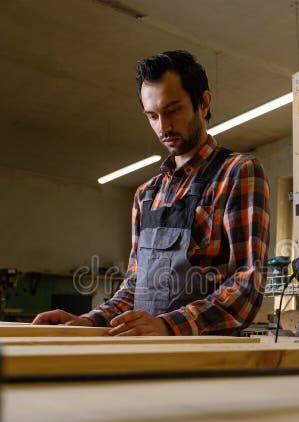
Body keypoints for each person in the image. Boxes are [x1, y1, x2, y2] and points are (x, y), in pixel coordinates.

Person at [33, 50, 270, 336]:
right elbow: (134, 287)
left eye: (172, 111)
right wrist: (89, 320)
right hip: (144, 352)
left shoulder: (238, 172)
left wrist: (168, 325)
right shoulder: (146, 194)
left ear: (203, 103)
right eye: (153, 116)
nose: (163, 127)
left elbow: (247, 284)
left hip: (205, 359)